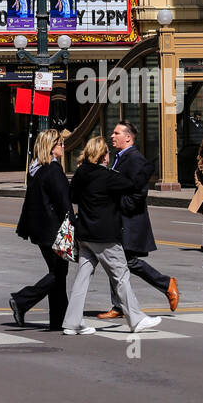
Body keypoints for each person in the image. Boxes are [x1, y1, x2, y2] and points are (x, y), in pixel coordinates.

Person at [62, 136, 162, 336]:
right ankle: (136, 319)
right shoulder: (107, 176)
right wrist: (147, 169)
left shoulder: (81, 172)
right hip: (105, 237)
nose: (109, 155)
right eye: (107, 152)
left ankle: (72, 322)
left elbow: (72, 196)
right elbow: (132, 185)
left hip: (85, 235)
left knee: (82, 278)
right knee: (121, 275)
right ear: (103, 155)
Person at [97, 121, 179, 320]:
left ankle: (166, 284)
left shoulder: (135, 160)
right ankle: (118, 305)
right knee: (114, 260)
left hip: (129, 221)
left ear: (128, 137)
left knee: (125, 261)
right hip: (119, 220)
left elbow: (138, 193)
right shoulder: (120, 157)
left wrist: (117, 203)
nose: (112, 136)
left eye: (116, 133)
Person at [9, 128, 71, 331]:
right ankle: (22, 300)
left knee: (57, 274)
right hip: (54, 232)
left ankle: (59, 321)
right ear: (51, 148)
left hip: (41, 231)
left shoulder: (37, 170)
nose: (63, 146)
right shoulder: (54, 171)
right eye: (60, 144)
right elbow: (64, 204)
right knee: (58, 274)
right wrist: (75, 227)